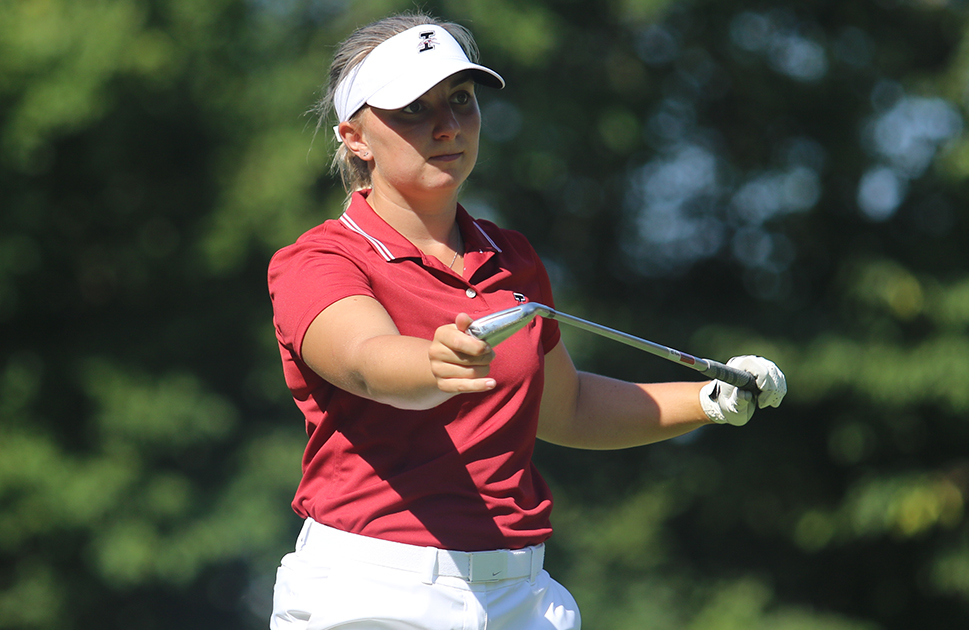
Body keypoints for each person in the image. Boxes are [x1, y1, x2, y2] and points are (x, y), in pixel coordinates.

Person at [267, 11, 787, 630]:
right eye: (413, 109)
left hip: (521, 596)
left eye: (461, 101)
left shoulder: (510, 258)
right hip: (375, 595)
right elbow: (366, 360)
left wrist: (708, 397)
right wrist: (433, 363)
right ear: (355, 136)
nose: (447, 125)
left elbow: (565, 409)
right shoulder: (321, 259)